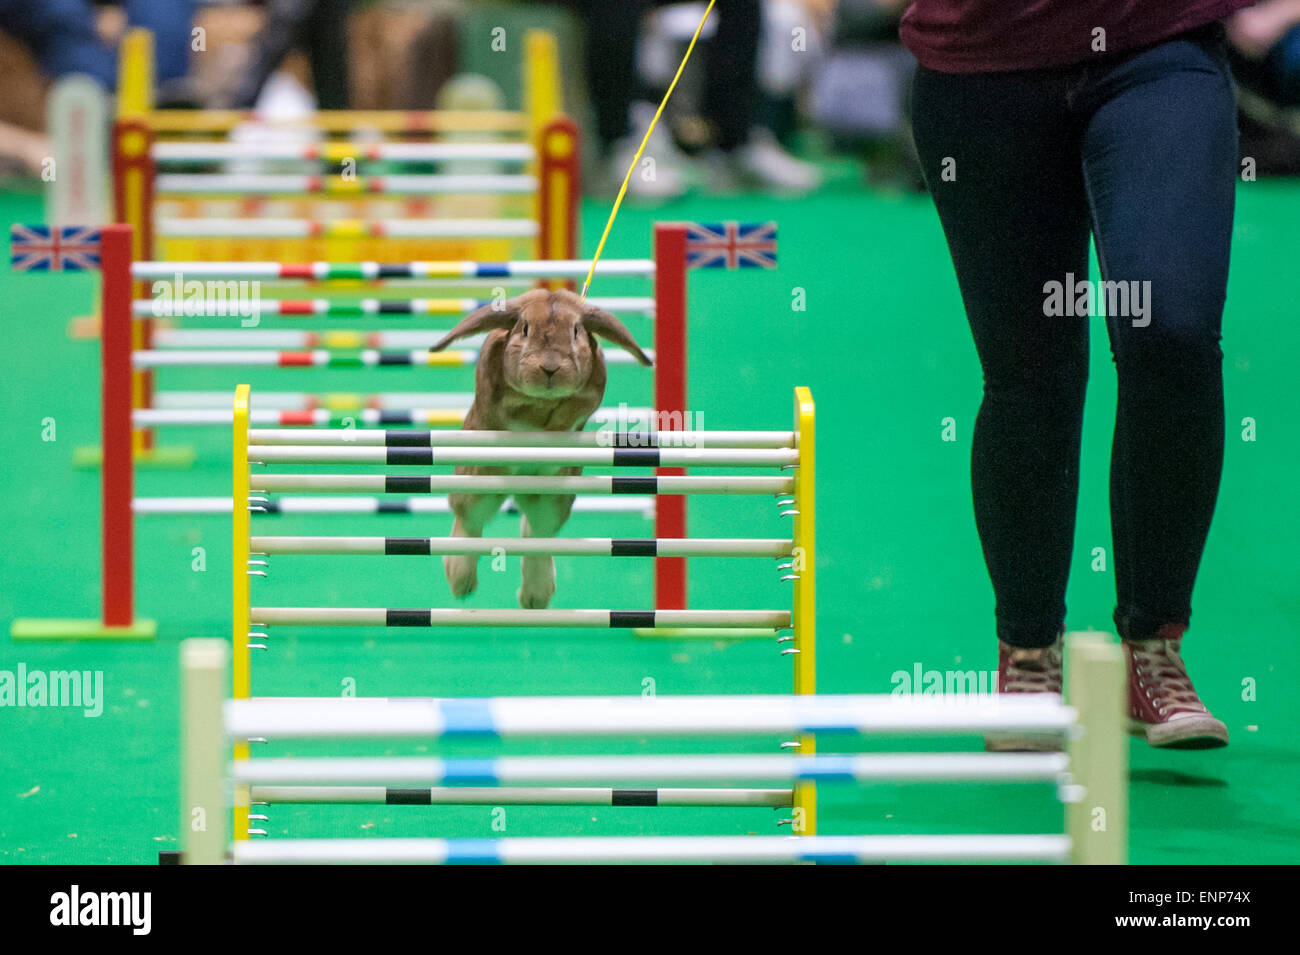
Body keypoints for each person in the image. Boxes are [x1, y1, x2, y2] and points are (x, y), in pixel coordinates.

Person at [901, 2, 1250, 749]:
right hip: (980, 70)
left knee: (1173, 332)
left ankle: (1154, 643)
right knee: (1029, 374)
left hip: (1157, 50)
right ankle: (1029, 651)